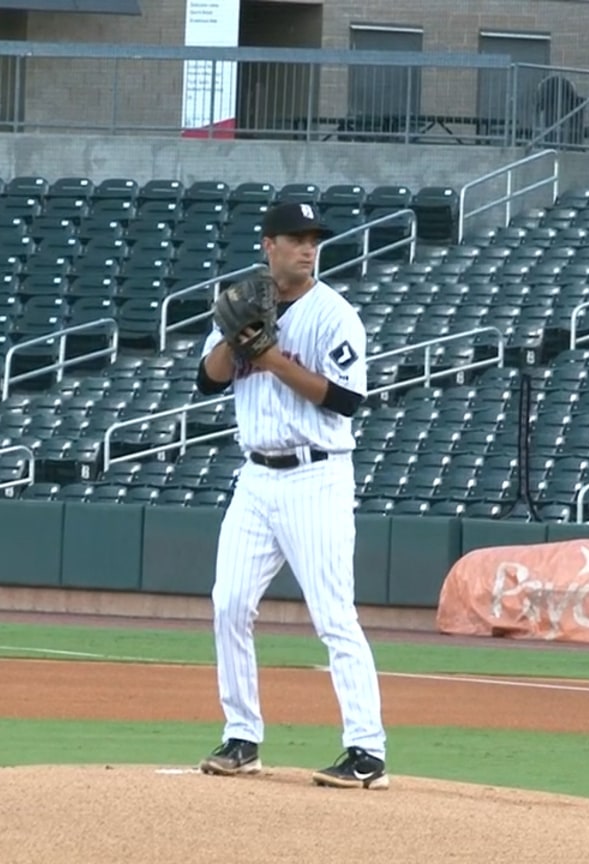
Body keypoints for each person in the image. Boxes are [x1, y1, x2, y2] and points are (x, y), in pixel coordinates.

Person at [193, 201, 389, 790]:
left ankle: (366, 752)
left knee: (334, 617)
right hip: (254, 478)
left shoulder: (334, 314)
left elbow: (347, 400)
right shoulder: (244, 301)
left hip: (316, 475)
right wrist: (237, 342)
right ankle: (242, 736)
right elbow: (209, 378)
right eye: (295, 238)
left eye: (313, 239)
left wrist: (271, 357)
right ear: (268, 245)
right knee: (229, 604)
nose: (308, 247)